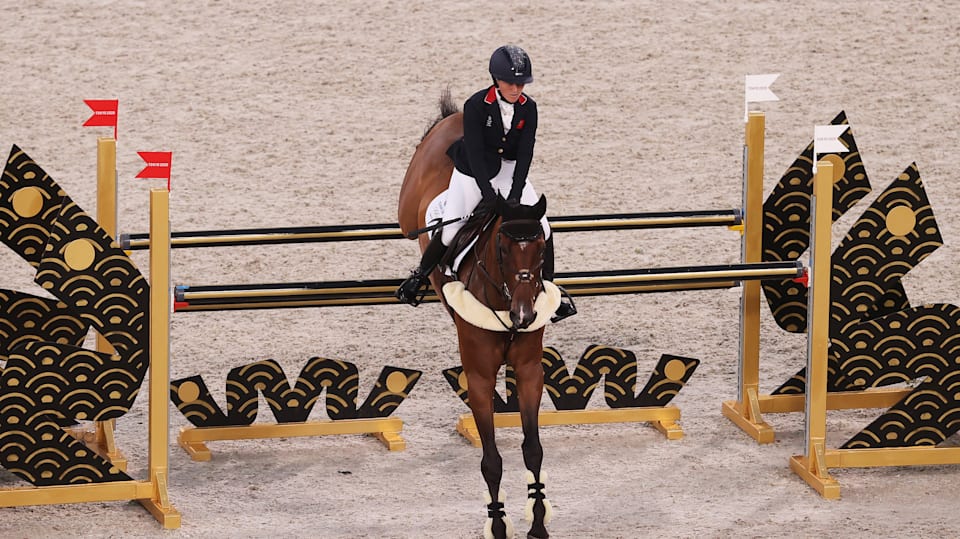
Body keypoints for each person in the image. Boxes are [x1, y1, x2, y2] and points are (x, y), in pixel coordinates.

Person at [396, 44, 576, 322]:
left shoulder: (530, 109)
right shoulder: (477, 106)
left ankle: (551, 292)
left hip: (510, 172)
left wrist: (515, 193)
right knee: (450, 227)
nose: (516, 89)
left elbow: (526, 152)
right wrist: (487, 193)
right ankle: (419, 276)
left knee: (543, 226)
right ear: (496, 80)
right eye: (511, 83)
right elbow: (477, 154)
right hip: (472, 173)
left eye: (521, 83)